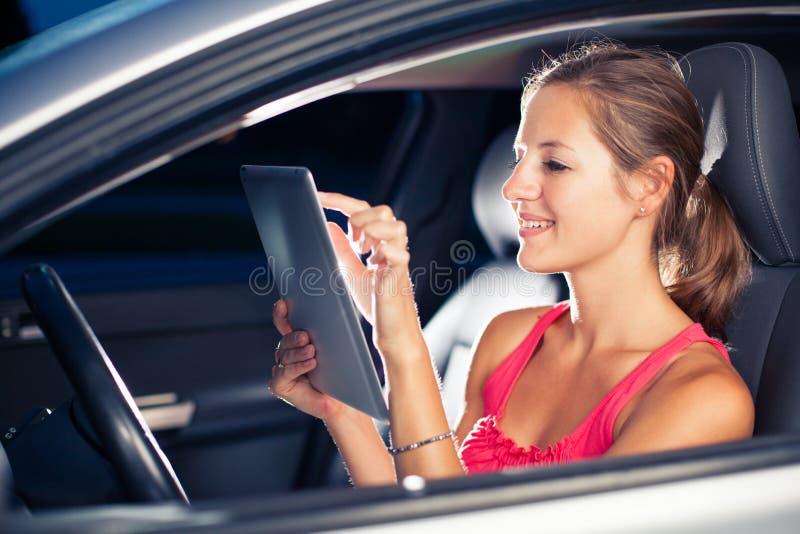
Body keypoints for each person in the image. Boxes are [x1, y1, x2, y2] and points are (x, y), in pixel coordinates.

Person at [269, 42, 755, 486]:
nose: (512, 188)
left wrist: (400, 339)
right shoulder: (510, 337)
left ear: (648, 185)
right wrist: (341, 409)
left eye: (555, 164)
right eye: (518, 159)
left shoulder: (700, 399)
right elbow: (421, 501)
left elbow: (446, 522)